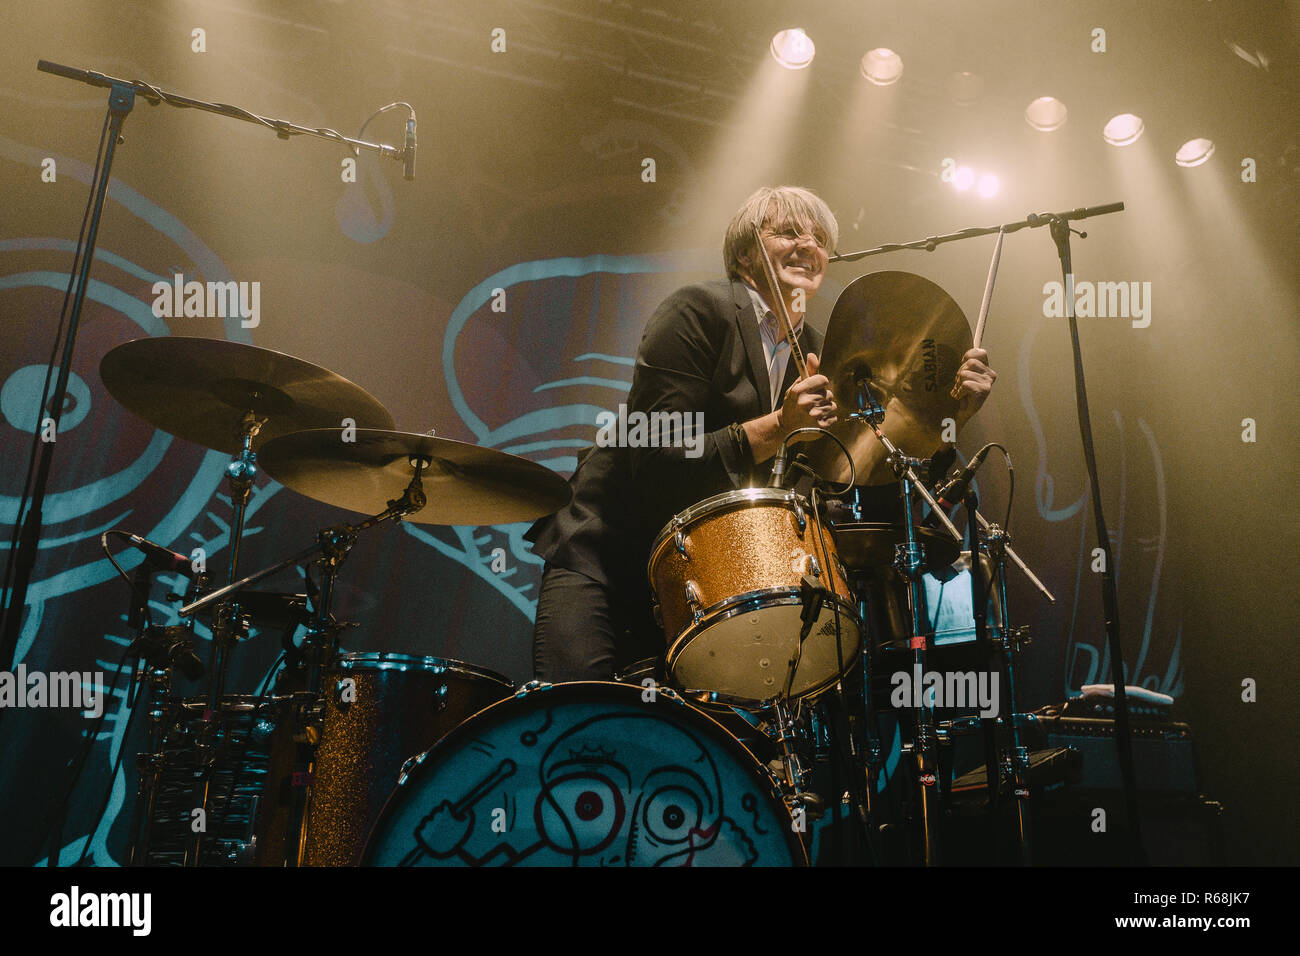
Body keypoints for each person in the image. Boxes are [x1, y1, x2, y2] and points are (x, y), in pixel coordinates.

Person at [525, 185, 996, 683]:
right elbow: (656, 454)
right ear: (746, 251)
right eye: (788, 232)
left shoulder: (829, 354)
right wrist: (779, 426)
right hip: (606, 555)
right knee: (575, 724)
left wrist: (947, 419)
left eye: (819, 239)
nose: (808, 246)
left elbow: (864, 484)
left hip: (698, 582)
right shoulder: (696, 312)